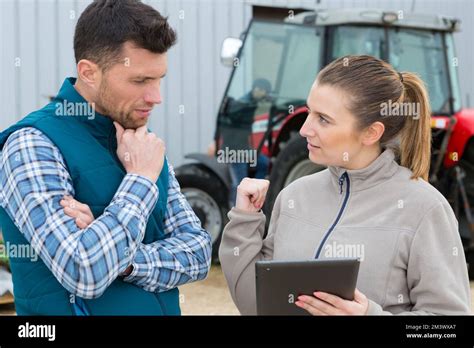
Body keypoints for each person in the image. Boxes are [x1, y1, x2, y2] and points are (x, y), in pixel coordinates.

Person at [0, 0, 211, 315]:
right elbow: (84, 271)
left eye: (159, 79)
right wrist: (139, 181)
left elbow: (198, 253)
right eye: (140, 81)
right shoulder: (32, 145)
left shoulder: (144, 145)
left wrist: (123, 260)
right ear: (89, 73)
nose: (157, 97)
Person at [219, 55, 471, 315]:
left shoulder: (426, 209)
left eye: (323, 119)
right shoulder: (293, 196)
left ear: (371, 133)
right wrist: (244, 222)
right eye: (309, 113)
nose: (305, 129)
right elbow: (256, 306)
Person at [208, 78, 272, 206]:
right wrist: (216, 142)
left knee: (264, 163)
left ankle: (256, 194)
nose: (265, 95)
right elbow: (225, 120)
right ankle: (236, 207)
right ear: (257, 89)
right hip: (234, 150)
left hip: (244, 148)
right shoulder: (243, 104)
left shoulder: (252, 101)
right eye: (264, 91)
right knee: (239, 182)